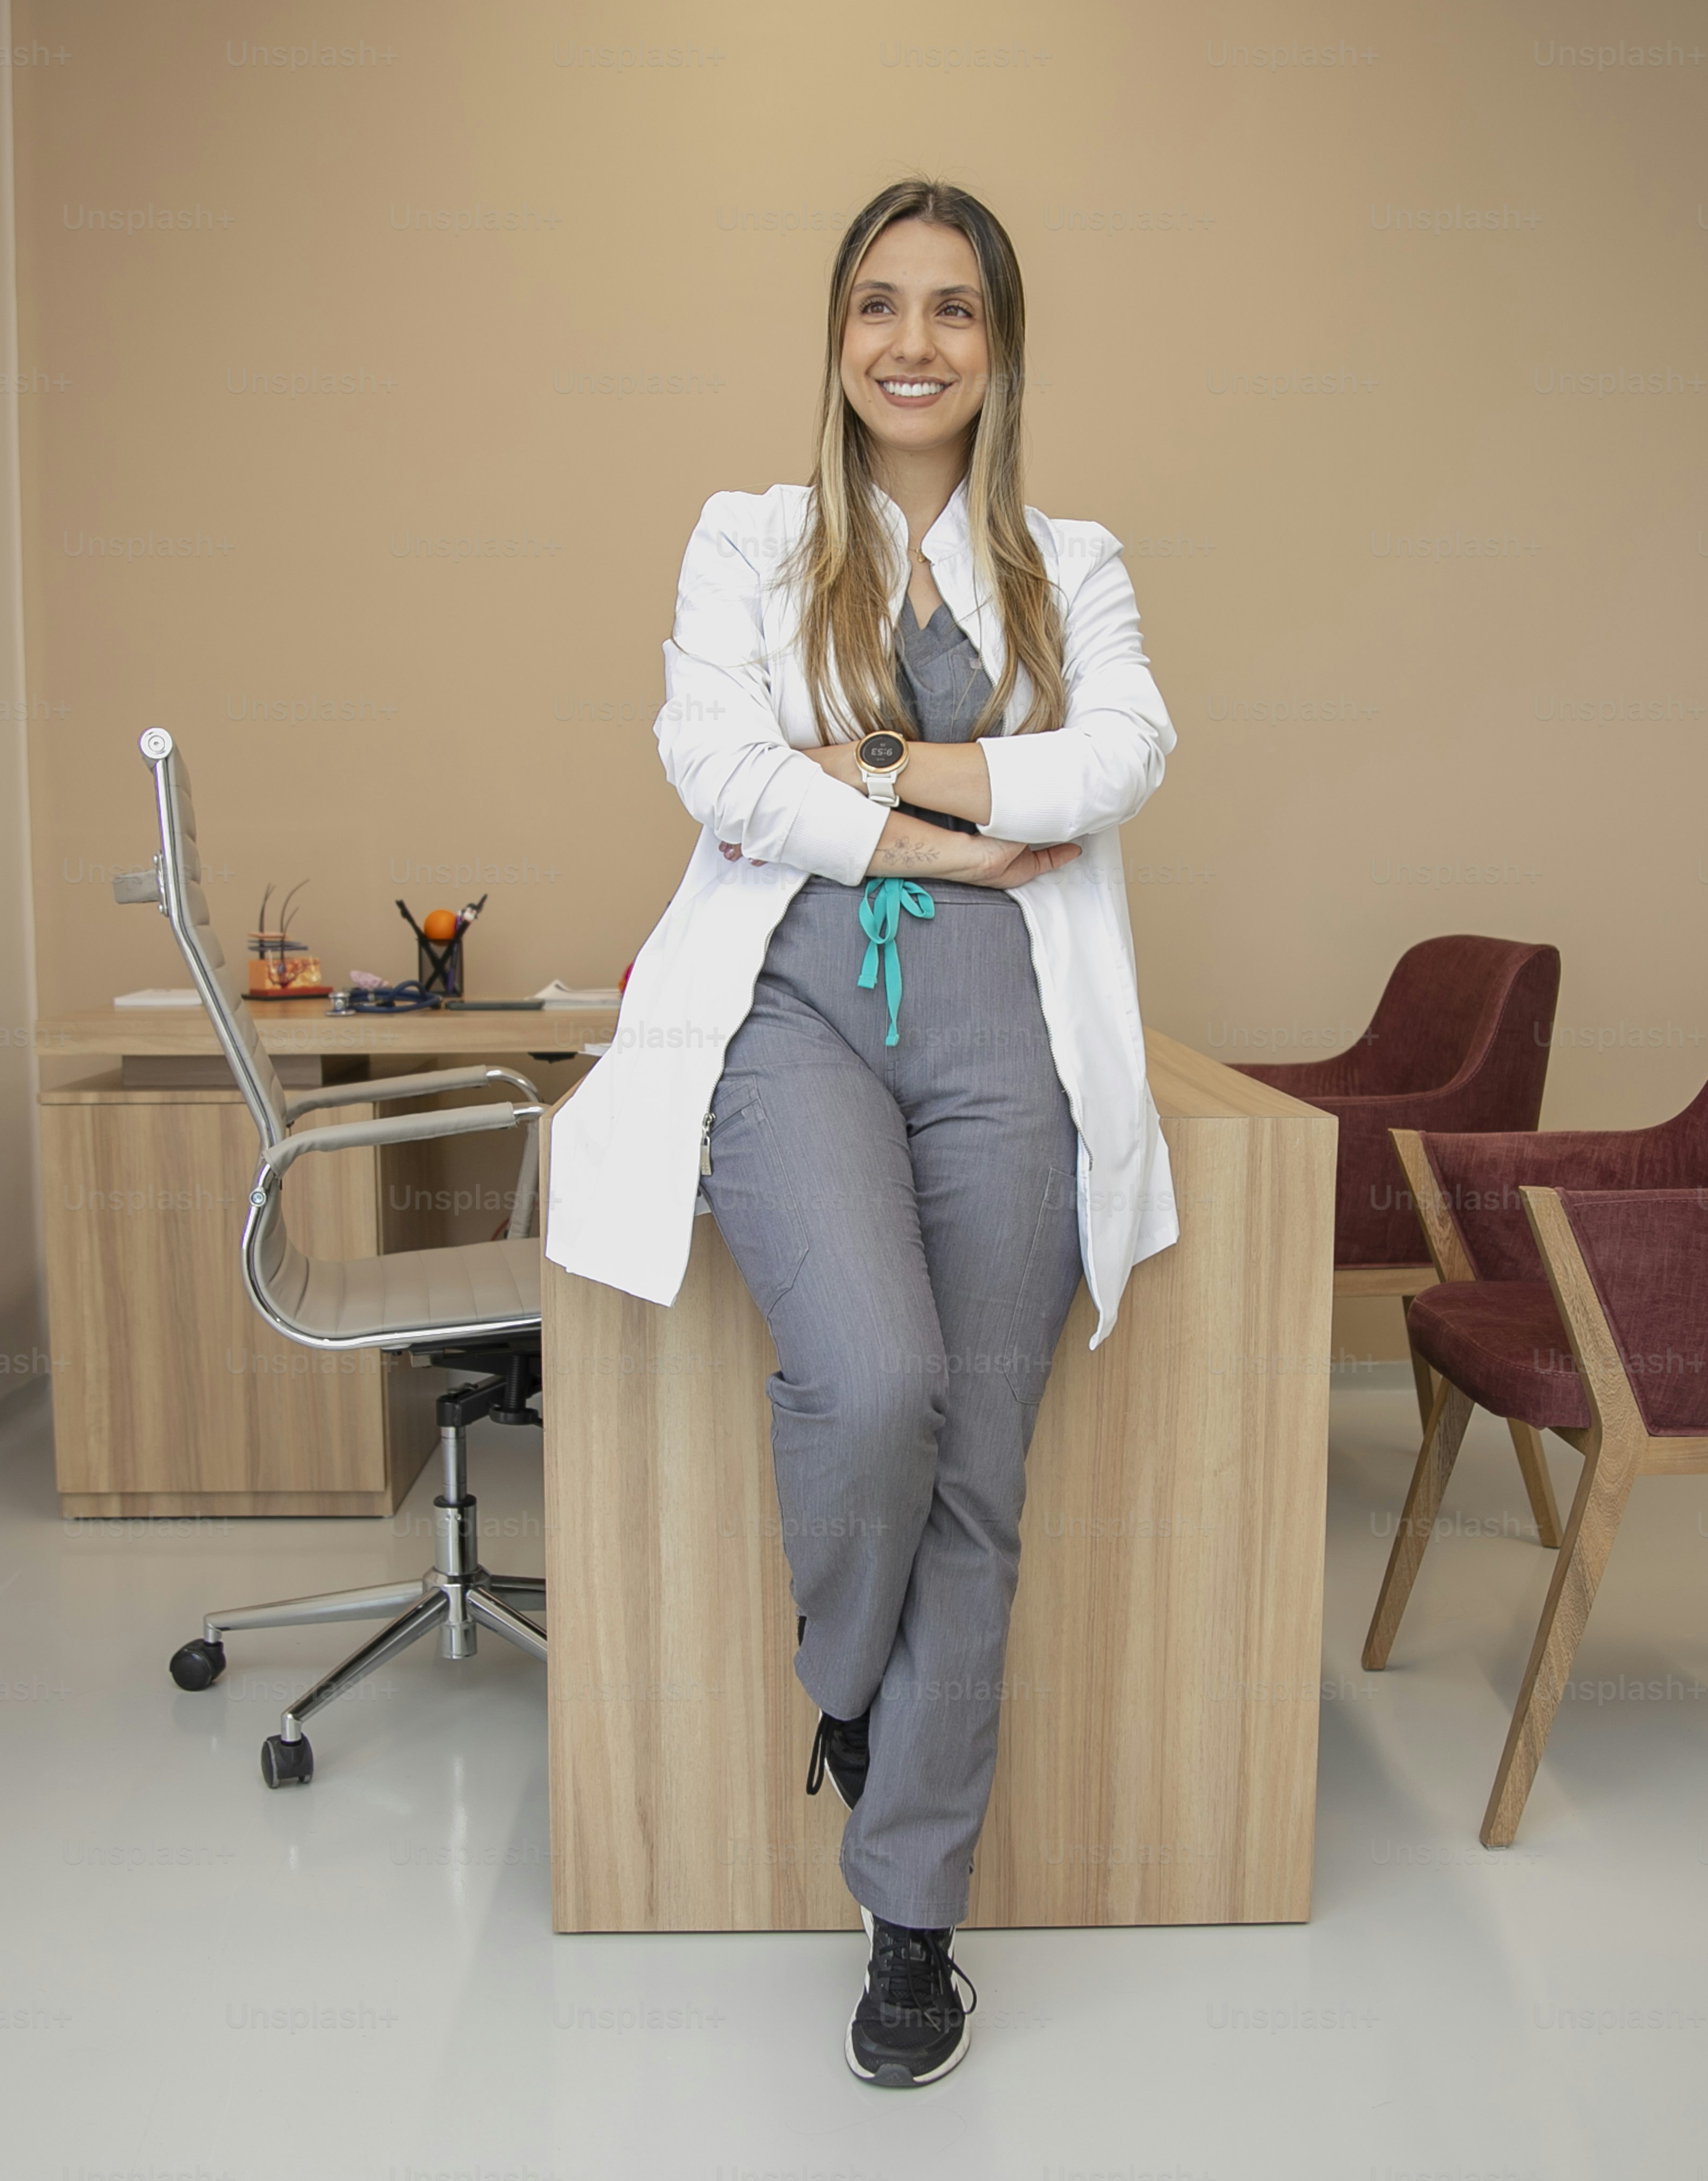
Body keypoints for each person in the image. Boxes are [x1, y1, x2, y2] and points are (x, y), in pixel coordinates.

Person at [543, 176, 1178, 2088]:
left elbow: (1128, 753)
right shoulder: (742, 541)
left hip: (1010, 1030)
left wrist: (872, 761)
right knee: (880, 1376)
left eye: (955, 310)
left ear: (999, 348)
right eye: (880, 305)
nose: (914, 342)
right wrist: (954, 832)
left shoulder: (1073, 561)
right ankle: (843, 1686)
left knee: (979, 1467)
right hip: (794, 1009)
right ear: (834, 336)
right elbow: (717, 769)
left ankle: (912, 1922)